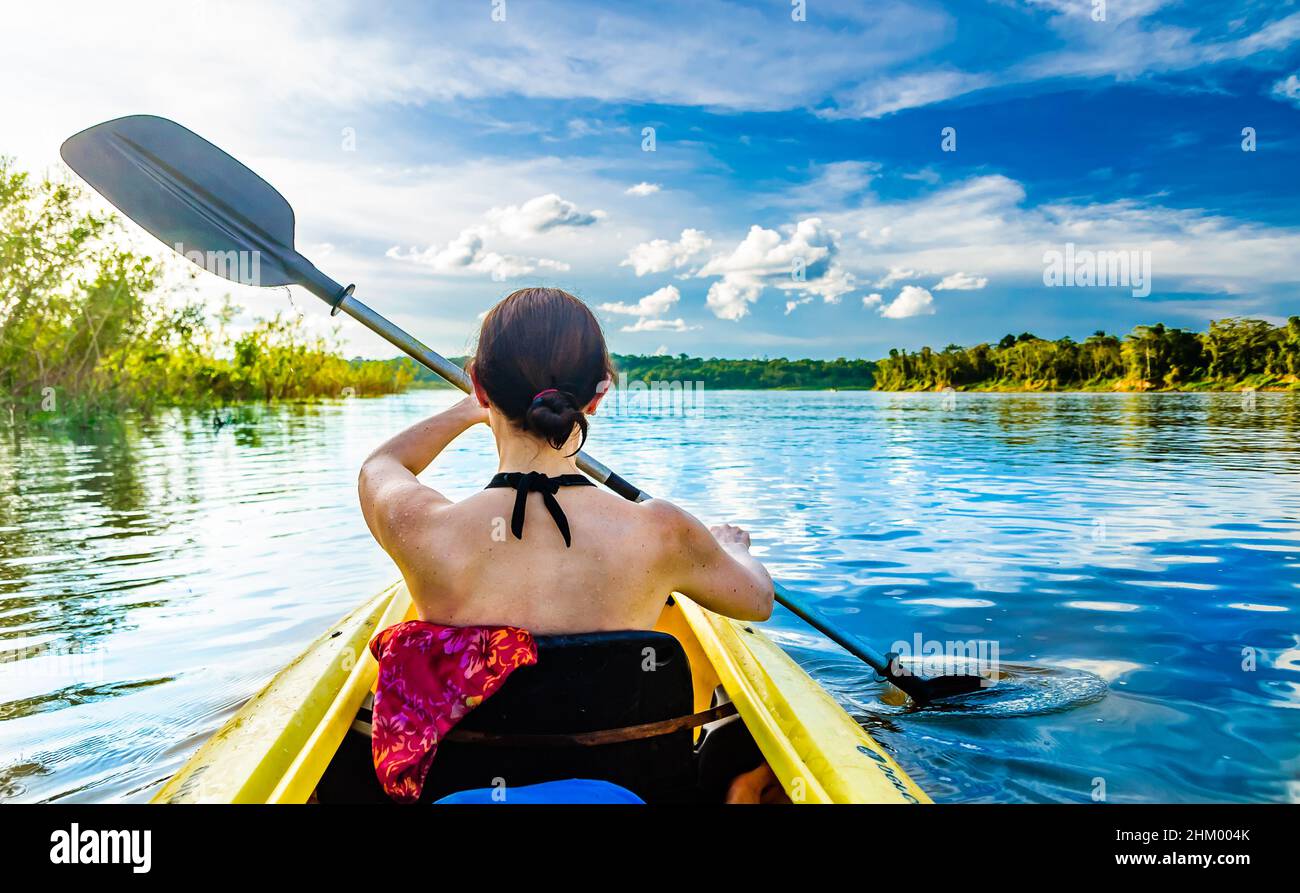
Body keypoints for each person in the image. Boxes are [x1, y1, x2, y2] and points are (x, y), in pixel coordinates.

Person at [357, 286, 779, 803]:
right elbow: (757, 601)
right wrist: (731, 546)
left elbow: (380, 467)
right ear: (598, 394)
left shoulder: (423, 529)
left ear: (480, 385)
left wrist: (467, 409)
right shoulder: (661, 533)